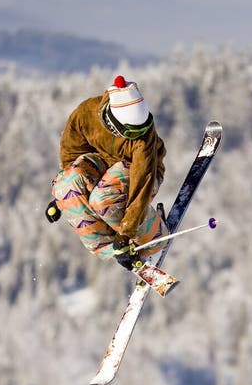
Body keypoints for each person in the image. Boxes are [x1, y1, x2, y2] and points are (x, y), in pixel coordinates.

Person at [50, 75, 167, 270]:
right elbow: (73, 154)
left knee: (103, 199)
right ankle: (115, 249)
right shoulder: (86, 113)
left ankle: (153, 239)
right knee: (66, 188)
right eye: (132, 132)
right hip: (104, 161)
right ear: (114, 125)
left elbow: (141, 186)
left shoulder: (143, 140)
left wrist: (127, 232)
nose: (140, 134)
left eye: (144, 127)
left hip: (144, 171)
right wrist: (65, 198)